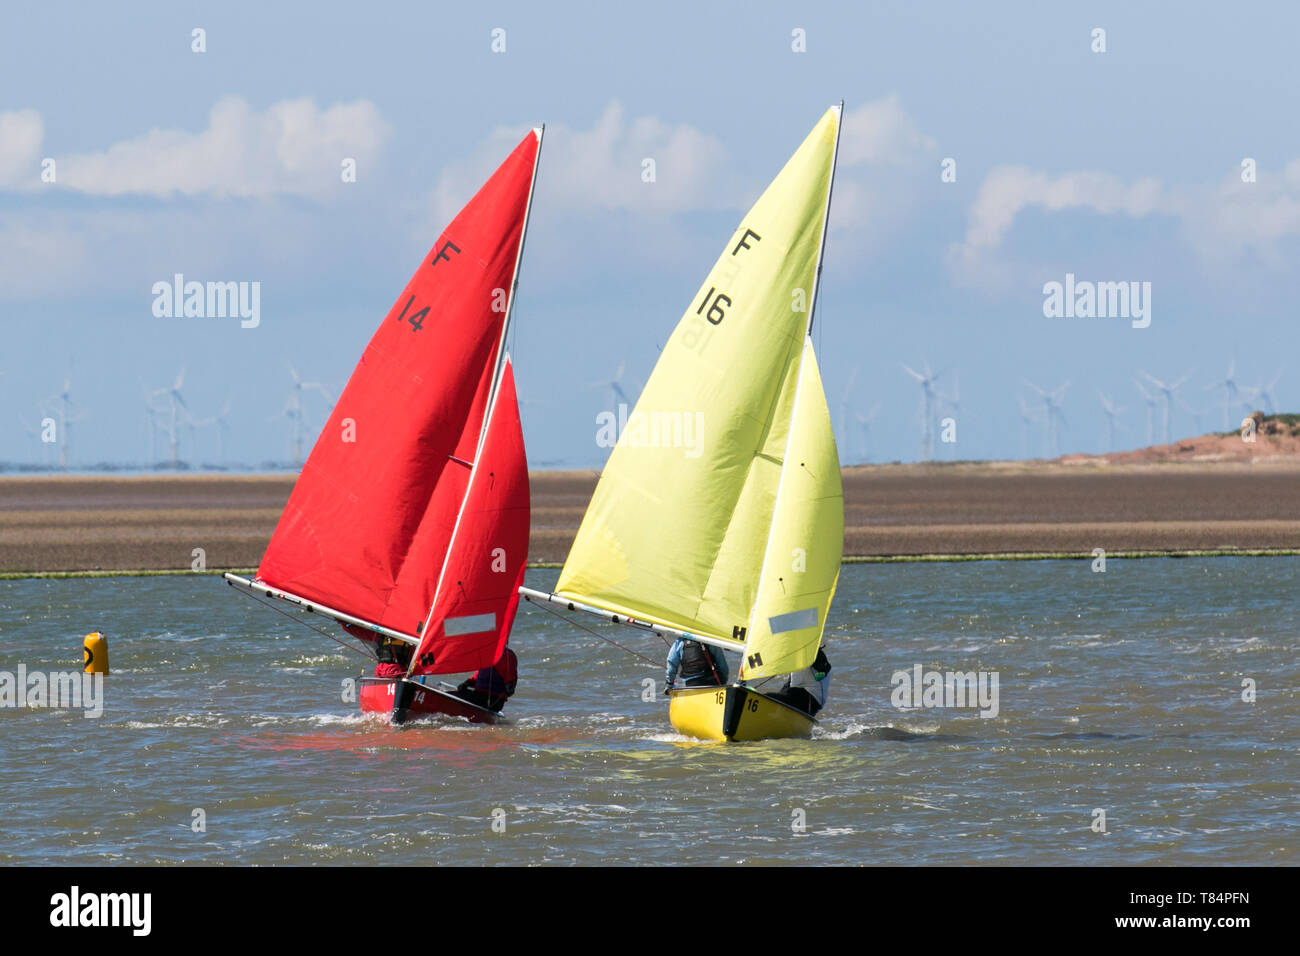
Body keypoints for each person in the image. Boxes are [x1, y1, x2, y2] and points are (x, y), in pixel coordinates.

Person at [747, 646, 831, 716]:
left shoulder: (811, 651)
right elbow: (788, 690)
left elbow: (826, 666)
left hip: (810, 700)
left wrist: (823, 672)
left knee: (767, 698)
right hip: (798, 697)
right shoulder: (797, 658)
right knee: (768, 699)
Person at [453, 646, 518, 713]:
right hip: (478, 695)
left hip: (493, 701)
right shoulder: (486, 652)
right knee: (452, 695)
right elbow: (478, 676)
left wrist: (508, 689)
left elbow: (511, 683)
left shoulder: (508, 656)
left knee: (453, 697)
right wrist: (467, 683)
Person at [664, 637, 728, 693]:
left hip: (691, 684)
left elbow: (671, 665)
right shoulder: (708, 639)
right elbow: (722, 663)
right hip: (712, 682)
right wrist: (723, 681)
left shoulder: (680, 642)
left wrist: (669, 684)